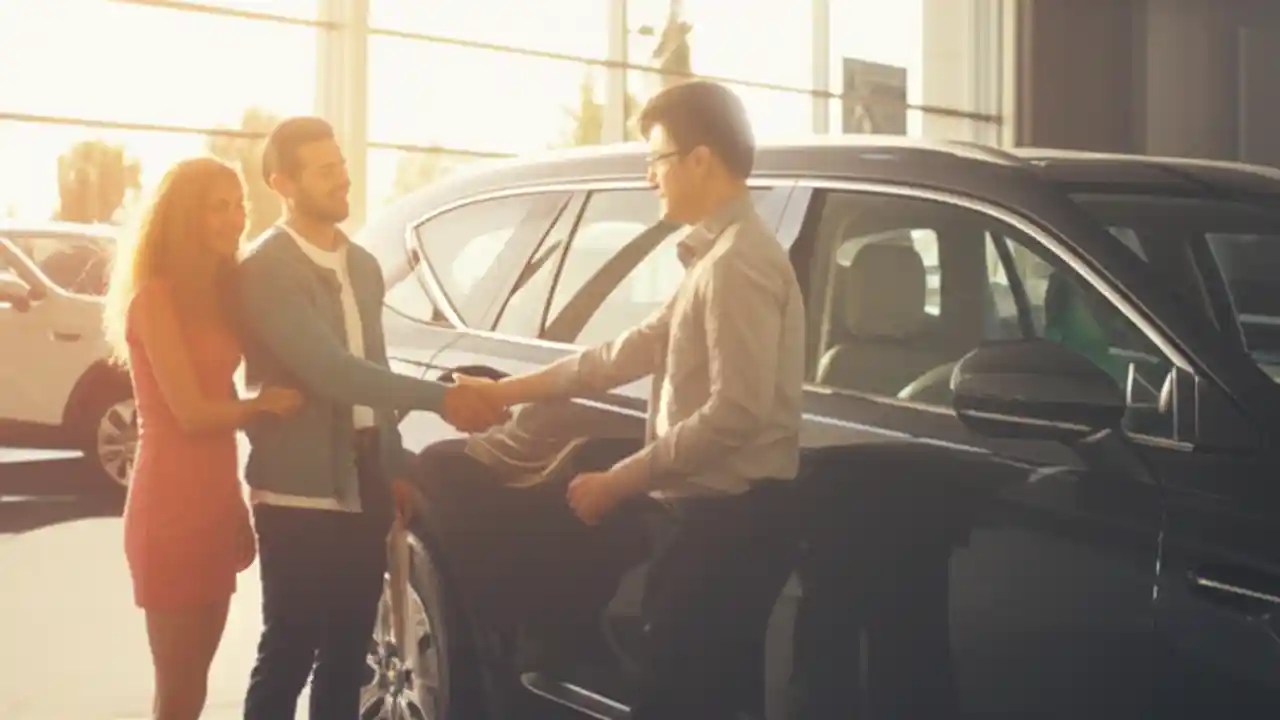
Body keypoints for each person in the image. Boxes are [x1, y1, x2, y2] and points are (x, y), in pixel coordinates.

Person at [462, 80, 806, 719]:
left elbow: (737, 412)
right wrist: (504, 391)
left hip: (728, 530)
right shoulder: (715, 259)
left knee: (682, 699)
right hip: (718, 526)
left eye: (657, 159)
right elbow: (620, 355)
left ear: (700, 159)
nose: (651, 176)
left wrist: (618, 480)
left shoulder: (737, 265)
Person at [234, 116, 506, 720]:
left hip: (365, 483)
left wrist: (392, 463)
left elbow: (374, 370)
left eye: (343, 165)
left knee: (348, 651)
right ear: (284, 182)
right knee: (288, 650)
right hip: (297, 492)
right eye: (325, 170)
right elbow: (329, 371)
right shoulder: (266, 269)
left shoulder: (360, 265)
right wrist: (444, 398)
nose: (343, 178)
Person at [103, 156, 305, 720]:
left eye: (239, 204)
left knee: (197, 686)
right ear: (183, 215)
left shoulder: (217, 294)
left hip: (215, 502)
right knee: (178, 691)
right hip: (167, 508)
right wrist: (262, 406)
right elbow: (190, 414)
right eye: (219, 205)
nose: (235, 218)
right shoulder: (154, 299)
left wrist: (236, 506)